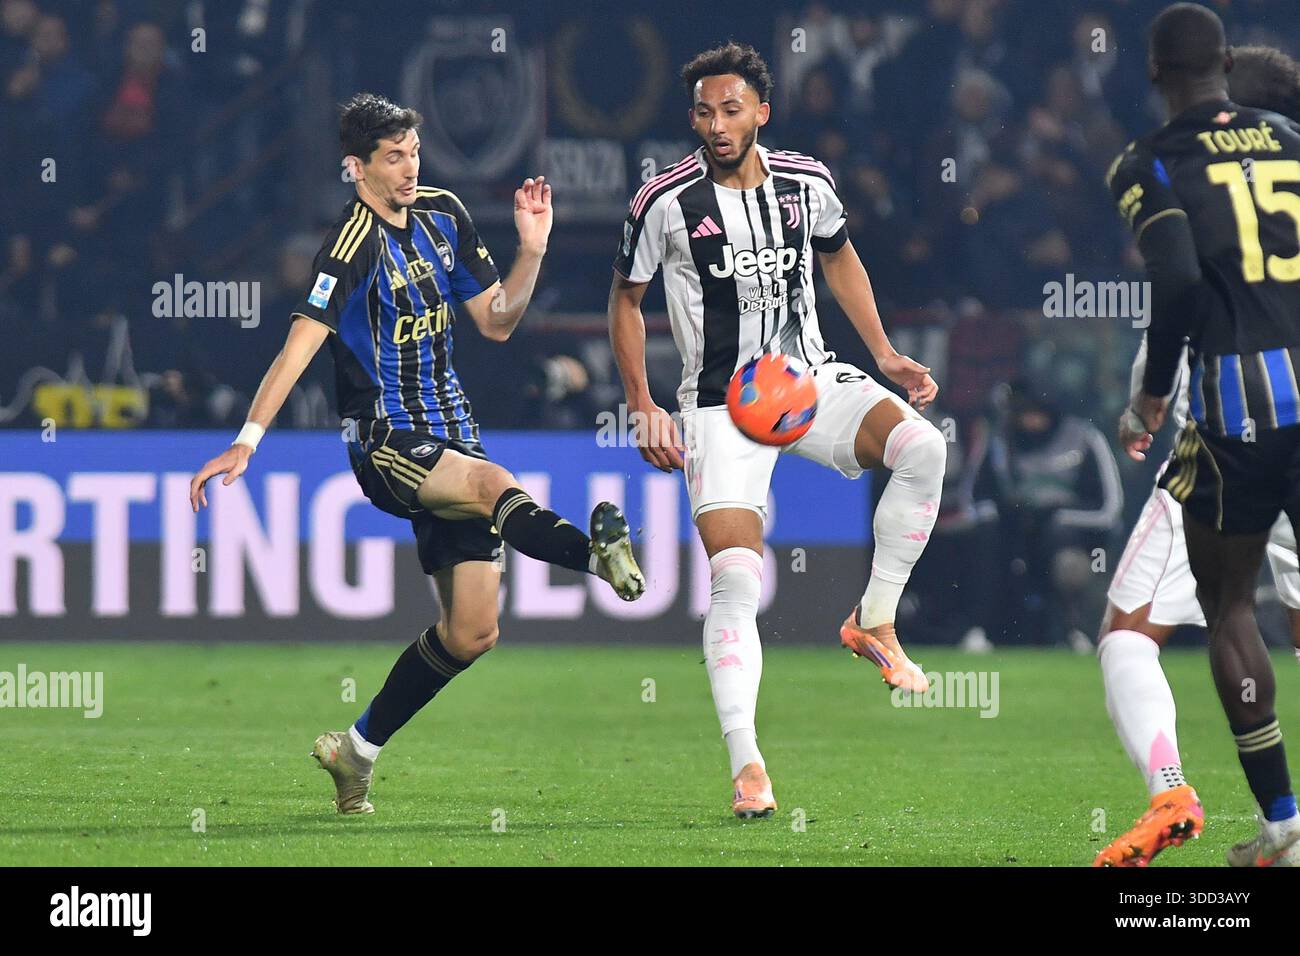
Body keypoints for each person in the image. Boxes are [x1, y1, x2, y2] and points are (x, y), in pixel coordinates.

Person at [189, 93, 645, 814]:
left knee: (473, 631)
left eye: (414, 154)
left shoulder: (442, 214)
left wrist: (532, 251)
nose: (409, 169)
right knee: (496, 483)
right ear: (357, 167)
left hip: (452, 432)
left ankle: (355, 753)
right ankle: (597, 560)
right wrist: (246, 442)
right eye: (393, 157)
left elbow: (496, 323)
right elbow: (299, 345)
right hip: (386, 440)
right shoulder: (349, 246)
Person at [607, 42, 944, 819]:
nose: (717, 125)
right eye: (703, 111)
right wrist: (641, 403)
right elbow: (626, 298)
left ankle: (876, 620)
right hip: (720, 405)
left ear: (762, 111)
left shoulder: (807, 182)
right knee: (737, 580)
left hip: (808, 378)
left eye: (732, 110)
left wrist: (886, 353)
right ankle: (748, 764)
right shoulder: (664, 199)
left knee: (924, 446)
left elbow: (840, 257)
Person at [1106, 5, 1300, 867]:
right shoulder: (1292, 139)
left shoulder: (1149, 160)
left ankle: (1282, 823)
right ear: (1223, 59)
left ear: (1153, 73)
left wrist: (1151, 396)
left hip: (1233, 409)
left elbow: (1179, 281)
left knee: (1219, 611)